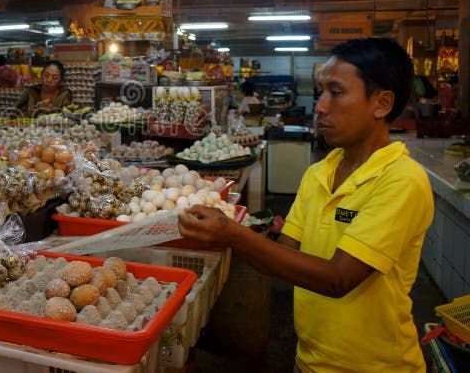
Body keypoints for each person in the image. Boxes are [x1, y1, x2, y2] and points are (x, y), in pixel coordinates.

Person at [179, 37, 433, 373]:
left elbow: (338, 279)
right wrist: (227, 232)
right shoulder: (319, 173)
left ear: (382, 103)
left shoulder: (401, 180)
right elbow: (283, 257)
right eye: (321, 92)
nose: (320, 107)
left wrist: (234, 235)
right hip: (309, 361)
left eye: (336, 92)